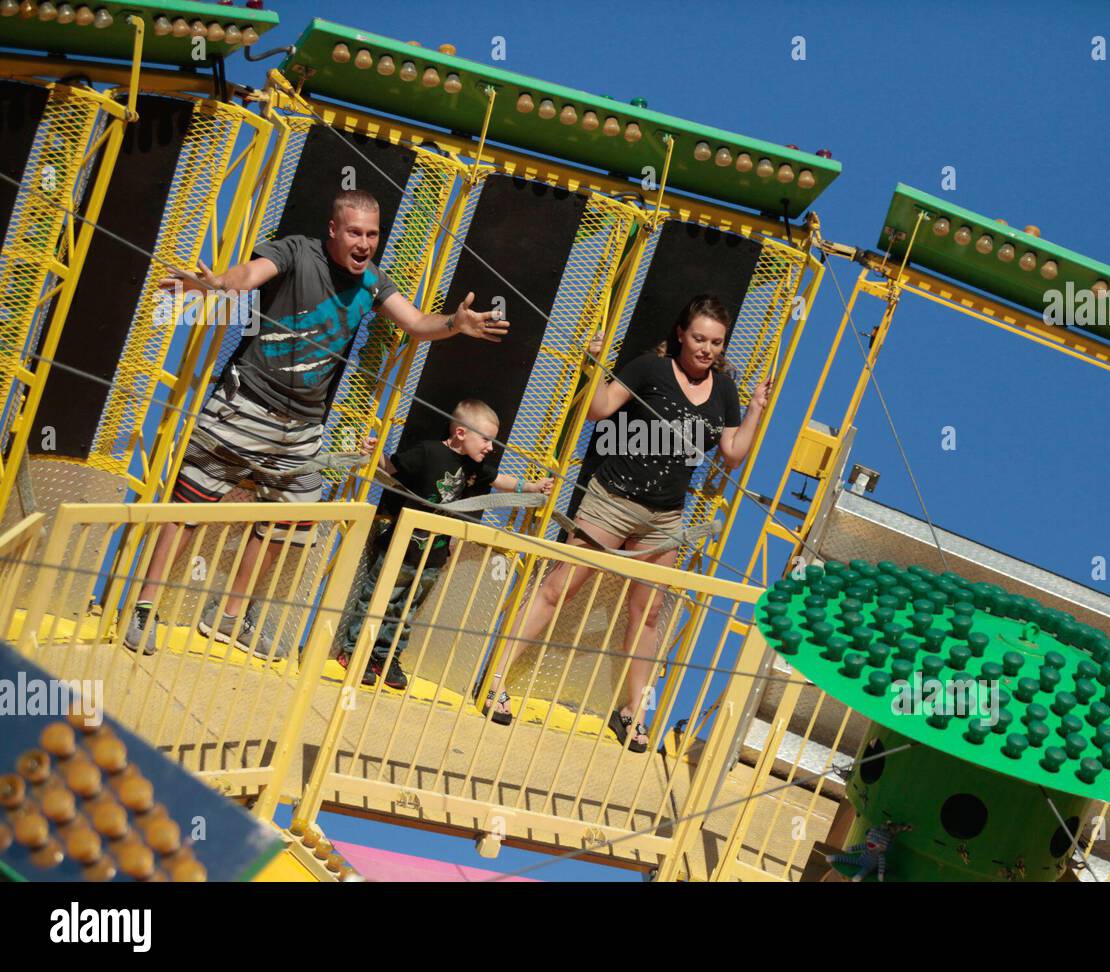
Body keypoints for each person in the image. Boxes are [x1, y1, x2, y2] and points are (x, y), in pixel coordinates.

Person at [122, 189, 510, 658]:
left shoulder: (371, 282)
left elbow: (415, 322)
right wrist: (220, 284)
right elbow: (249, 275)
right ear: (333, 230)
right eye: (354, 232)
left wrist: (454, 323)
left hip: (304, 426)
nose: (365, 243)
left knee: (293, 519)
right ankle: (141, 607)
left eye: (372, 233)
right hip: (245, 406)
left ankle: (227, 616)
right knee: (189, 508)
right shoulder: (295, 250)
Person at [482, 295, 770, 752]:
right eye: (699, 338)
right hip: (613, 499)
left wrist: (755, 407)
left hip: (665, 515)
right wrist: (593, 364)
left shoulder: (724, 391)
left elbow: (732, 453)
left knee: (649, 612)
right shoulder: (649, 370)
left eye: (716, 342)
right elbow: (599, 409)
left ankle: (633, 713)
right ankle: (495, 680)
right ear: (681, 333)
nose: (707, 349)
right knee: (560, 586)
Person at [338, 400, 553, 689]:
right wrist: (374, 454)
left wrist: (531, 487)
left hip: (434, 555)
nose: (490, 447)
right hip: (402, 547)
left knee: (407, 609)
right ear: (461, 433)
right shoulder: (429, 452)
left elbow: (499, 480)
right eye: (486, 439)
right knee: (379, 597)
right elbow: (393, 468)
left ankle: (385, 657)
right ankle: (354, 650)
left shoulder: (474, 465)